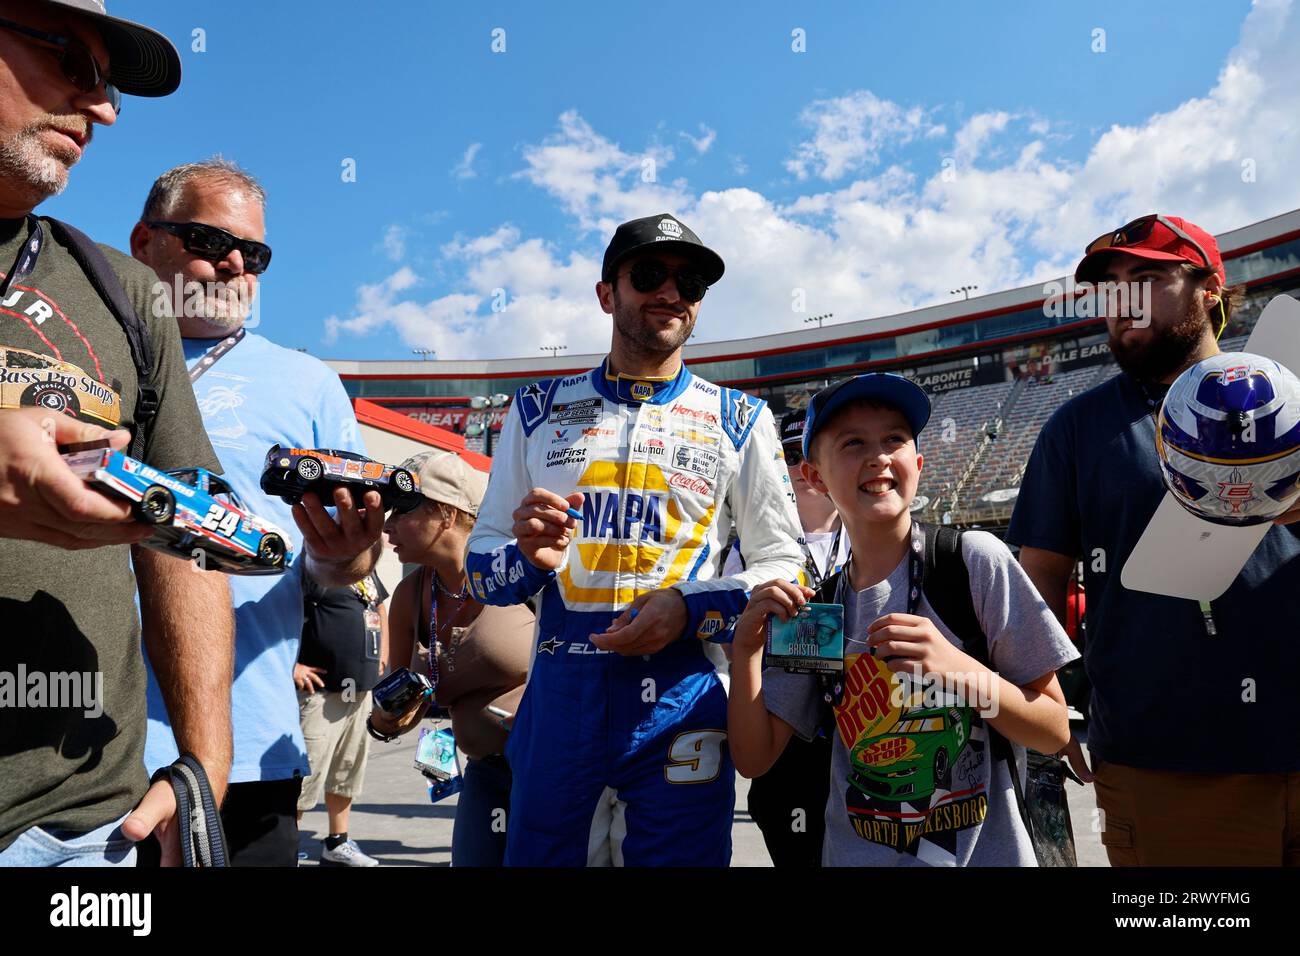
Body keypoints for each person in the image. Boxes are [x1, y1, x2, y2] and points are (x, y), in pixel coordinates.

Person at [466, 213, 806, 866]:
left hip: (684, 705)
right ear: (606, 294)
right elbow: (478, 569)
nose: (671, 292)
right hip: (561, 704)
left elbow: (790, 565)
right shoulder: (536, 410)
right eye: (650, 274)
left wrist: (691, 608)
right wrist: (526, 563)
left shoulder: (740, 418)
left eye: (691, 281)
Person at [0, 0, 236, 867]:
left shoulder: (123, 292)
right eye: (71, 60)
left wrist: (204, 768)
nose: (102, 108)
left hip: (85, 830)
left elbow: (186, 533)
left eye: (109, 83)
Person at [1008, 214, 1300, 865]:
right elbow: (1037, 589)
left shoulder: (1292, 398)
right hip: (1168, 768)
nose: (1123, 302)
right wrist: (1041, 730)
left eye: (1146, 278)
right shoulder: (1076, 430)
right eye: (1110, 289)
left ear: (1210, 289)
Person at [131, 158, 385, 866]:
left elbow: (345, 568)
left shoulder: (307, 382)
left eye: (256, 254)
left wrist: (347, 552)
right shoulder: (90, 356)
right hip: (84, 744)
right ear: (145, 243)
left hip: (247, 747)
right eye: (210, 242)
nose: (237, 264)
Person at [728, 373, 1077, 866]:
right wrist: (746, 653)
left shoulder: (974, 561)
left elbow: (1054, 728)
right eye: (853, 443)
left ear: (918, 462)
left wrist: (961, 671)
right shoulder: (818, 613)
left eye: (894, 438)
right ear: (813, 476)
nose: (878, 456)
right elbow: (754, 757)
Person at [371, 449, 532, 867]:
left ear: (446, 513)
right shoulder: (412, 595)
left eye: (402, 510)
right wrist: (386, 719)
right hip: (484, 774)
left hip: (548, 770)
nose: (388, 525)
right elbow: (401, 699)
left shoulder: (520, 572)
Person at [723, 407, 849, 866]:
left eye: (805, 455)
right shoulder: (745, 549)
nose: (796, 468)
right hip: (783, 733)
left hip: (857, 728)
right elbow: (727, 643)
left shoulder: (870, 535)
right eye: (785, 456)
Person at [294, 570, 388, 867]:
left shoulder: (363, 566)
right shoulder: (313, 565)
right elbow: (282, 614)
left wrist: (384, 653)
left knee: (347, 768)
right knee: (304, 776)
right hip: (321, 693)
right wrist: (291, 664)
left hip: (359, 690)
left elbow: (380, 606)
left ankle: (338, 842)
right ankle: (287, 846)